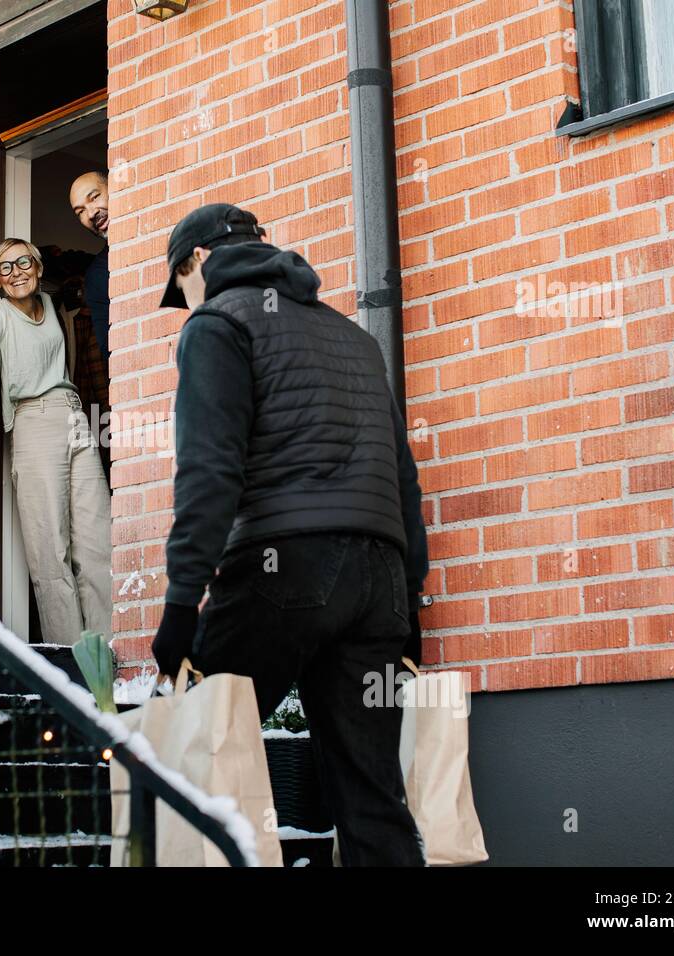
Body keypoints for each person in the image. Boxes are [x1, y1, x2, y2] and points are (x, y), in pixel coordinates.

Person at [148, 203, 430, 866]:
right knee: (372, 793)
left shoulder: (215, 325)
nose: (184, 301)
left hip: (283, 568)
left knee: (205, 759)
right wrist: (409, 602)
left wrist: (181, 603)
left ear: (194, 262)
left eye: (178, 285)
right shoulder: (355, 338)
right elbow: (403, 478)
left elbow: (210, 472)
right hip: (379, 579)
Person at [0, 238, 112, 646]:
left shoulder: (51, 305)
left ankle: (112, 656)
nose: (16, 272)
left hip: (74, 415)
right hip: (33, 421)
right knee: (51, 551)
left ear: (39, 266)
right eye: (4, 268)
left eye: (23, 262)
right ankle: (70, 658)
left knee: (97, 541)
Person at [68, 171, 111, 365]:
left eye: (94, 197)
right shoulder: (97, 276)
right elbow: (111, 353)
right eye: (80, 212)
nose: (92, 213)